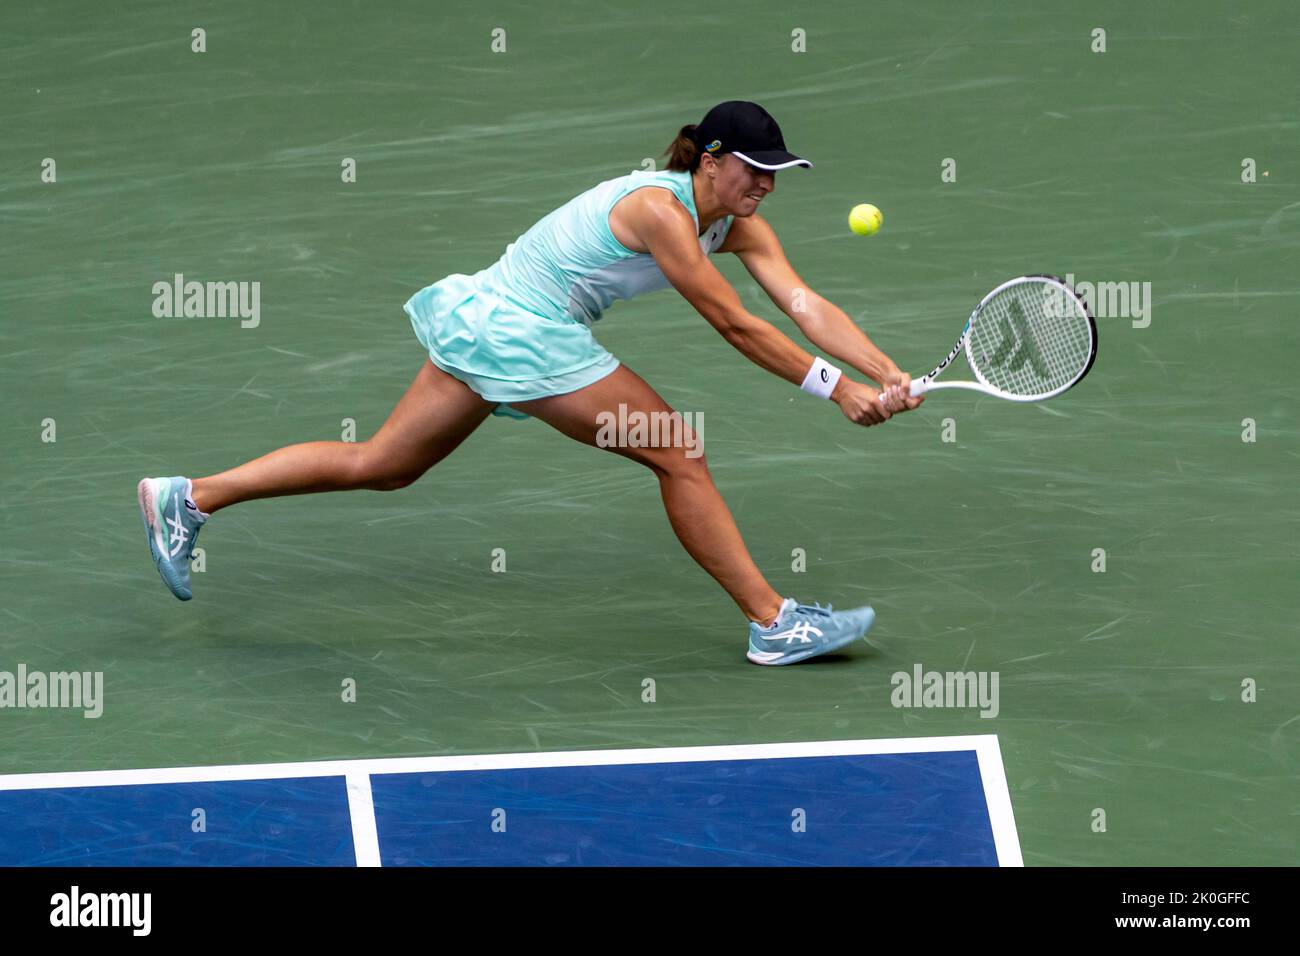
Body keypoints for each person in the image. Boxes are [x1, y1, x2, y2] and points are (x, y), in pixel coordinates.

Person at [138, 101, 922, 665]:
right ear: (710, 161)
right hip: (520, 328)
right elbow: (736, 324)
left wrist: (883, 372)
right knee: (677, 452)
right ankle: (771, 621)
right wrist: (836, 391)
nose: (767, 187)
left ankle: (190, 496)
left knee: (383, 464)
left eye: (777, 175)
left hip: (491, 320)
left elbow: (800, 304)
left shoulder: (737, 222)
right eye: (756, 170)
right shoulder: (659, 210)